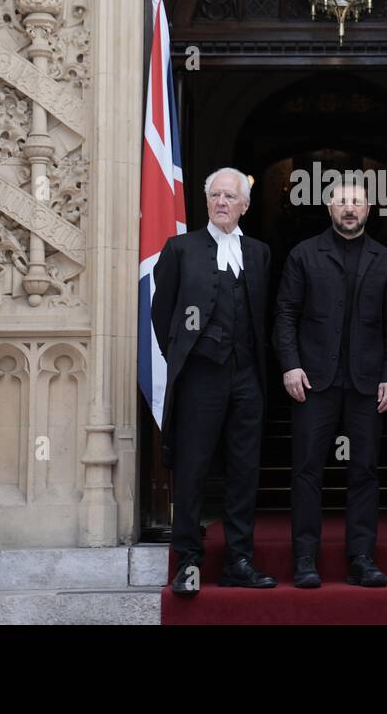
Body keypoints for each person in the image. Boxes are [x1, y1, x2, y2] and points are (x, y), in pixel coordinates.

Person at [274, 179, 387, 589]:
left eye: (357, 202)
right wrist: (290, 366)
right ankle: (305, 559)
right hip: (314, 381)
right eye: (342, 202)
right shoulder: (303, 254)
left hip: (368, 384)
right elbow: (285, 315)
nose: (349, 209)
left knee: (364, 471)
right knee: (307, 471)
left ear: (370, 208)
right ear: (329, 207)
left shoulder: (386, 260)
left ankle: (362, 558)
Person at [151, 167, 276, 594]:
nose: (222, 202)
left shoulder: (259, 253)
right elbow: (161, 312)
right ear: (207, 203)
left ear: (245, 205)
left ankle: (239, 560)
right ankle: (188, 561)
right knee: (193, 469)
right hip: (200, 377)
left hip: (247, 378)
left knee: (244, 471)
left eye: (230, 196)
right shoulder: (180, 249)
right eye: (216, 196)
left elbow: (265, 316)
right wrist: (184, 359)